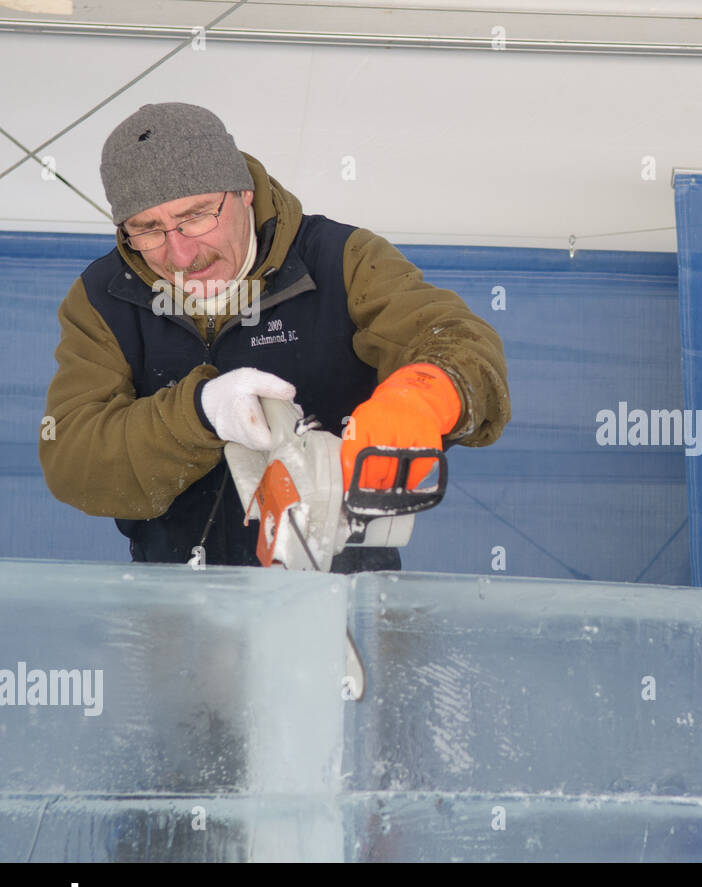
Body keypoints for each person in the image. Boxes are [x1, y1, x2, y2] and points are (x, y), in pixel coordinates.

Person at [39, 103, 509, 572]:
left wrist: (420, 398)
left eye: (197, 217)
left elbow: (456, 339)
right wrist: (201, 414)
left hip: (339, 593)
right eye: (147, 230)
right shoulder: (103, 297)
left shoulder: (340, 259)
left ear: (243, 191)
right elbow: (71, 455)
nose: (181, 254)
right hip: (174, 602)